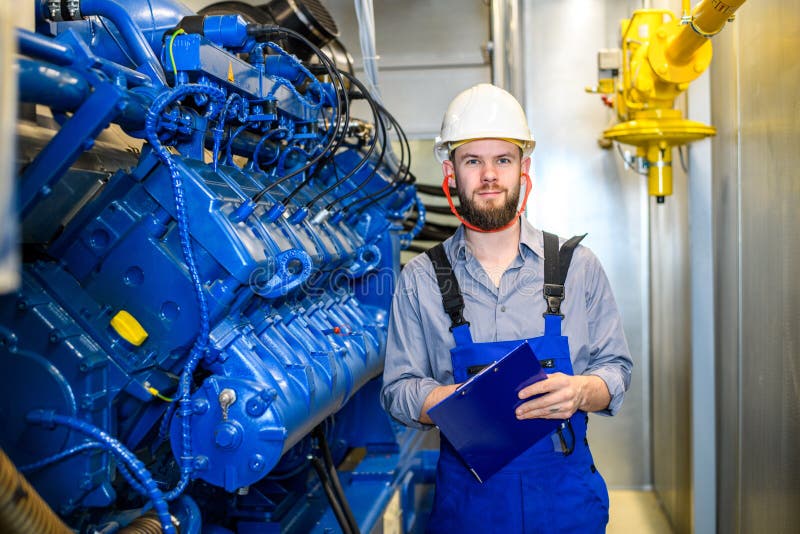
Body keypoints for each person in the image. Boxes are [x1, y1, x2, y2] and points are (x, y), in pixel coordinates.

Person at [380, 83, 633, 533]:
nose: (489, 175)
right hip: (469, 508)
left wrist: (579, 392)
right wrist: (442, 400)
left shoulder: (578, 268)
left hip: (566, 503)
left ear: (524, 169)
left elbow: (616, 371)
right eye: (473, 161)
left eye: (503, 160)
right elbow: (397, 390)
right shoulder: (419, 278)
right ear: (451, 172)